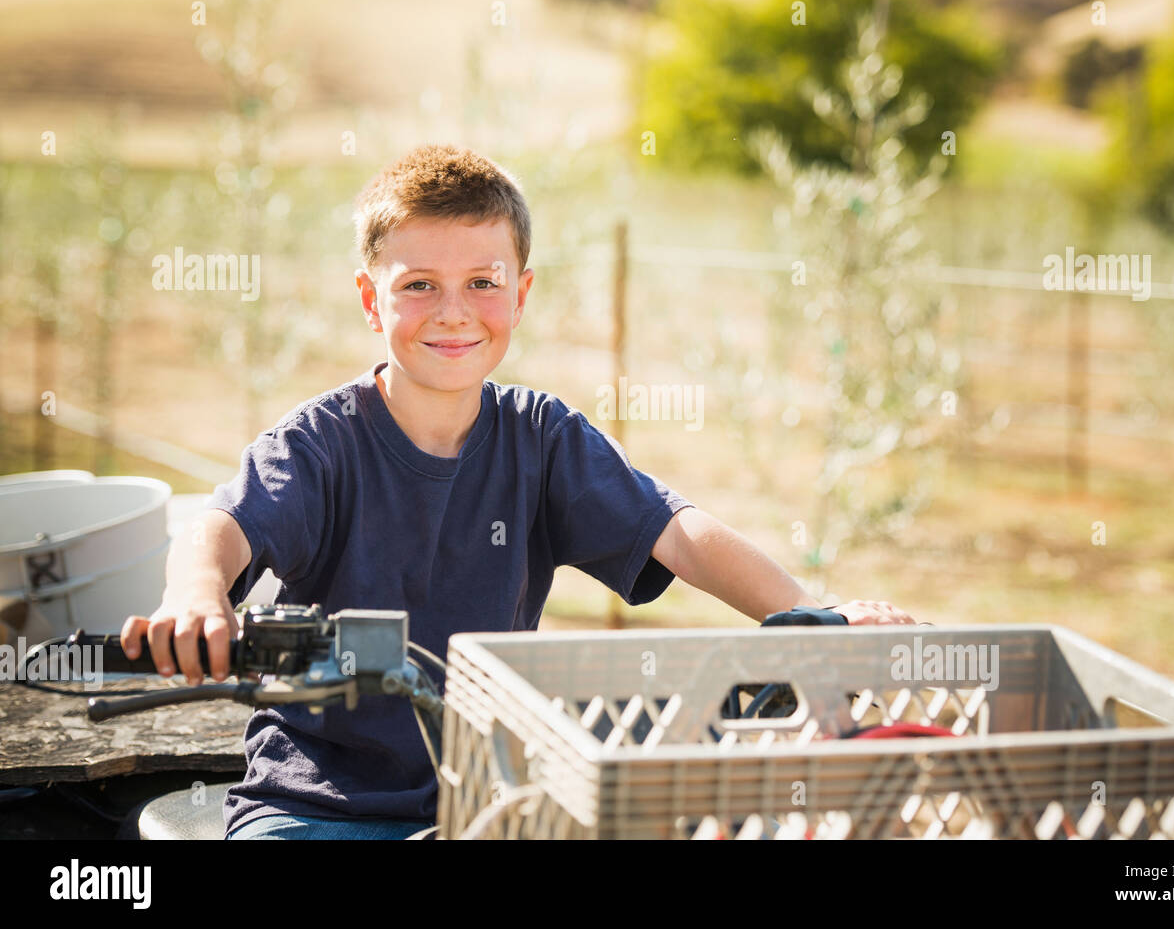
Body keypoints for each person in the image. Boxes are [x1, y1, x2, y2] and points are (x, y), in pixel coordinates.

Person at [119, 143, 914, 840]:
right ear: (371, 301)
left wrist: (812, 618)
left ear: (521, 295)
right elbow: (222, 523)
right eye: (420, 285)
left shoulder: (543, 437)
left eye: (482, 282)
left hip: (492, 799)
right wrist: (196, 593)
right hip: (316, 804)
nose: (455, 311)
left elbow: (679, 532)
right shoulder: (323, 442)